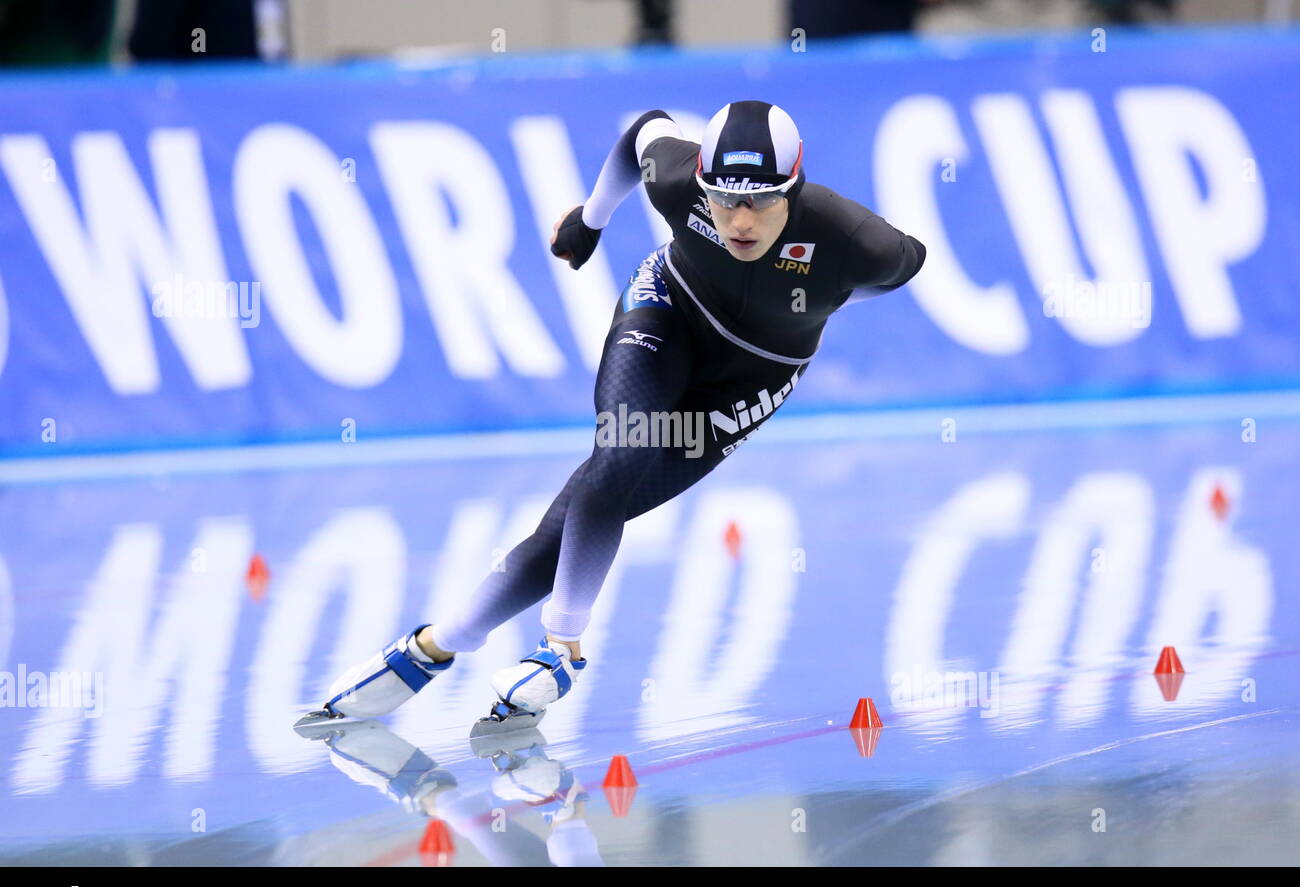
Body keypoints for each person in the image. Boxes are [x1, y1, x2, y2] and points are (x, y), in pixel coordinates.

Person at [302, 100, 926, 731]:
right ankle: (562, 650)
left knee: (581, 517)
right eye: (724, 198)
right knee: (622, 451)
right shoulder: (679, 182)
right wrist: (589, 220)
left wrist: (825, 295)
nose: (740, 220)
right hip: (666, 312)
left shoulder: (858, 241)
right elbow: (642, 132)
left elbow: (907, 264)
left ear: (794, 188)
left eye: (762, 201)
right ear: (702, 183)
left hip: (754, 373)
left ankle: (441, 641)